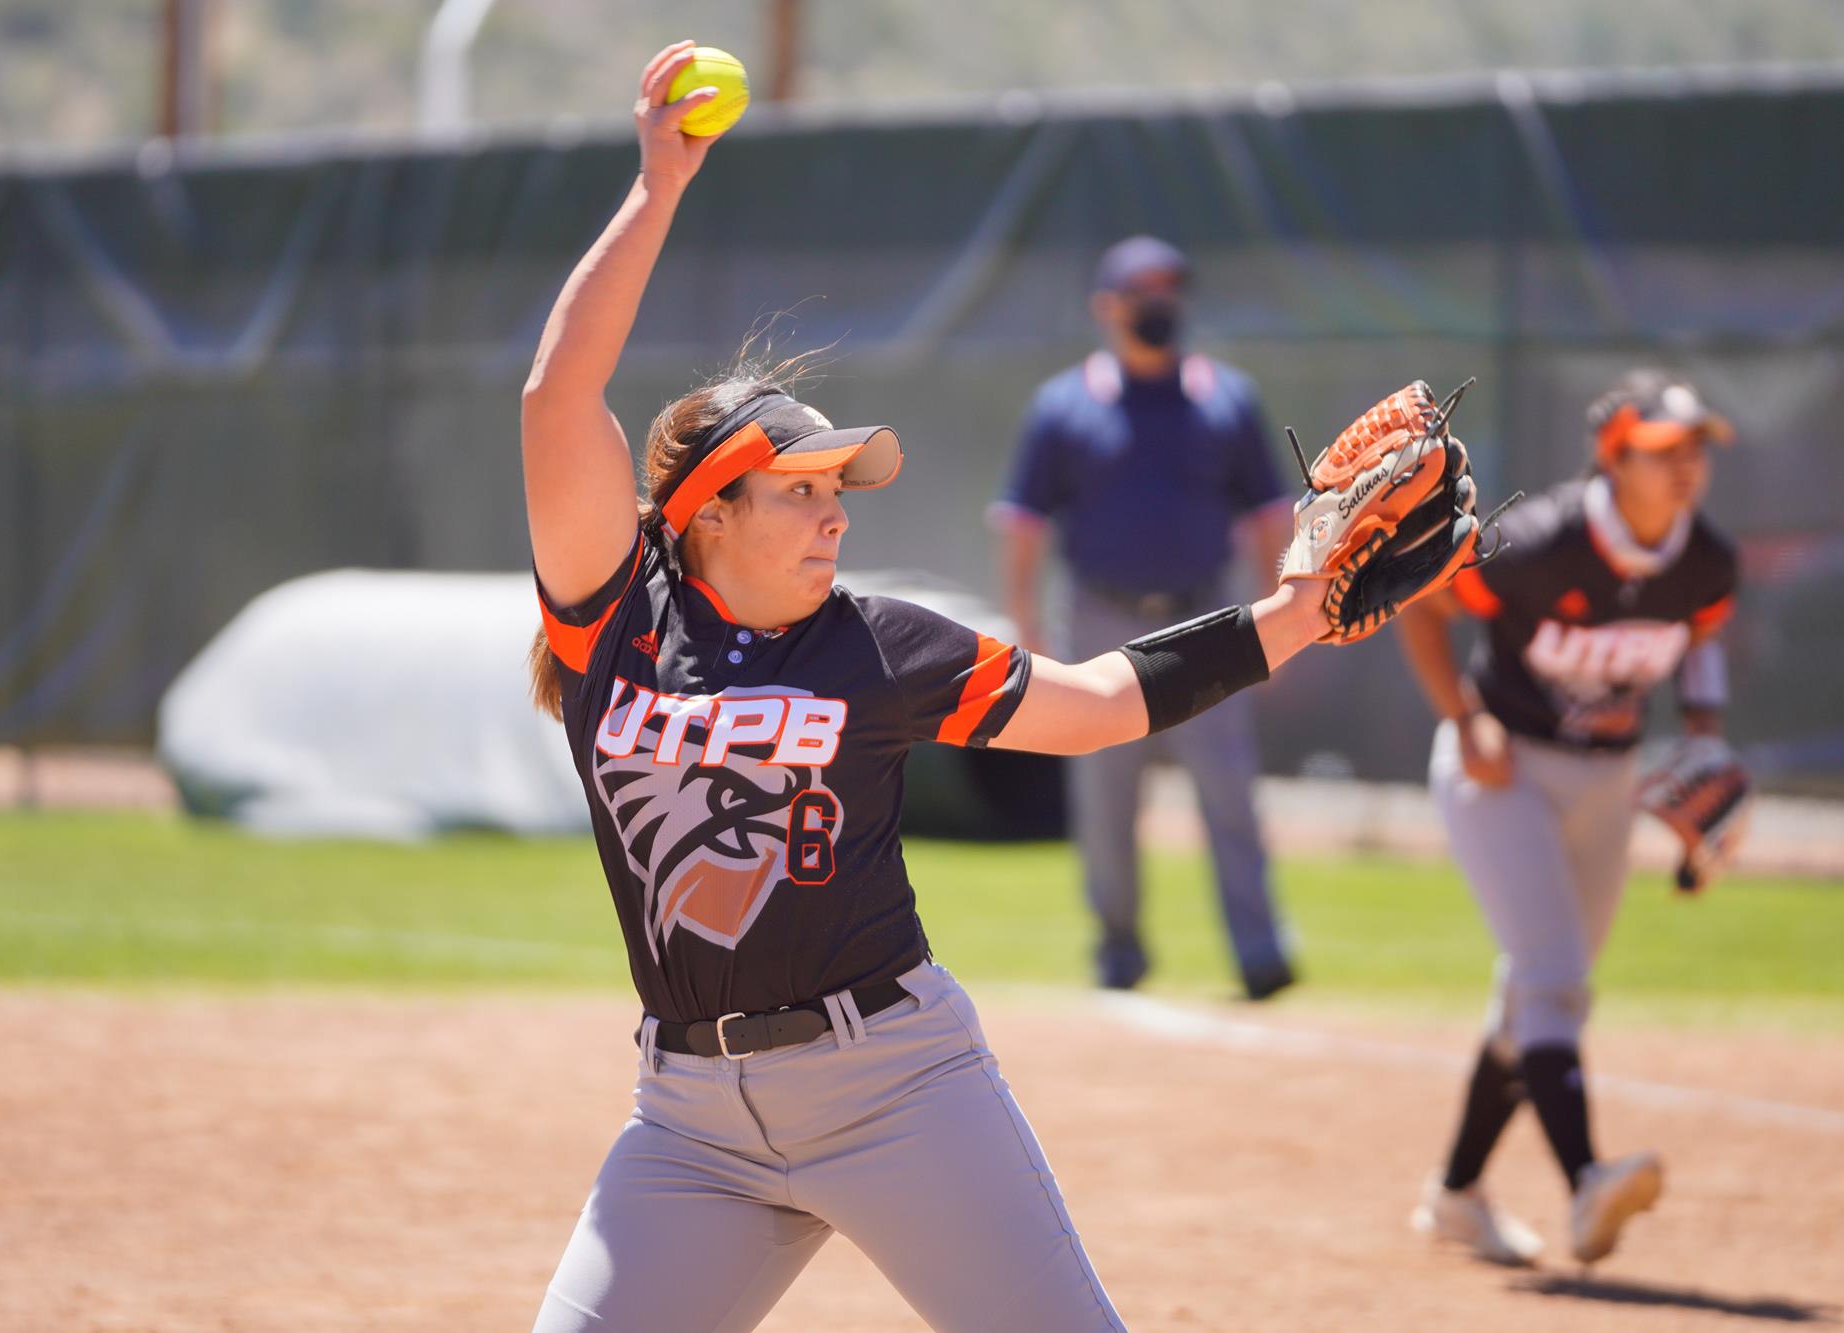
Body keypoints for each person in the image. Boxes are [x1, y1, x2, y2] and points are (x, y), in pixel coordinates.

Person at [521, 44, 1465, 1332]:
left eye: (835, 491)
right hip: (687, 1125)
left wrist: (1295, 614)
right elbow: (557, 392)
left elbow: (1091, 703)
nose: (830, 516)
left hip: (897, 1089)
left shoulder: (880, 645)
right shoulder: (611, 619)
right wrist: (657, 189)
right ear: (706, 514)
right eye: (796, 490)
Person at [1396, 369, 1739, 1267]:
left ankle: (1456, 1195)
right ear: (1613, 455)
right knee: (1554, 980)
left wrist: (1705, 736)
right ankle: (1587, 1180)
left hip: (1606, 780)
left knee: (1533, 1001)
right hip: (1501, 765)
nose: (1687, 469)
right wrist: (1461, 717)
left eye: (1696, 450)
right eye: (1665, 452)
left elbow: (1702, 639)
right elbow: (1422, 607)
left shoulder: (1706, 560)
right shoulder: (1539, 540)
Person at [994, 236, 1297, 998]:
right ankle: (1119, 950)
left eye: (1171, 288)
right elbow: (1024, 522)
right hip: (1100, 620)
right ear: (1107, 305)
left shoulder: (1225, 397)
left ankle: (1260, 955)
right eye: (1143, 290)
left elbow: (1268, 516)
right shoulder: (1065, 405)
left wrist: (1281, 615)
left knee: (1230, 794)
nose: (1160, 303)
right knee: (1106, 800)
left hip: (1212, 620)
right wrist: (1026, 625)